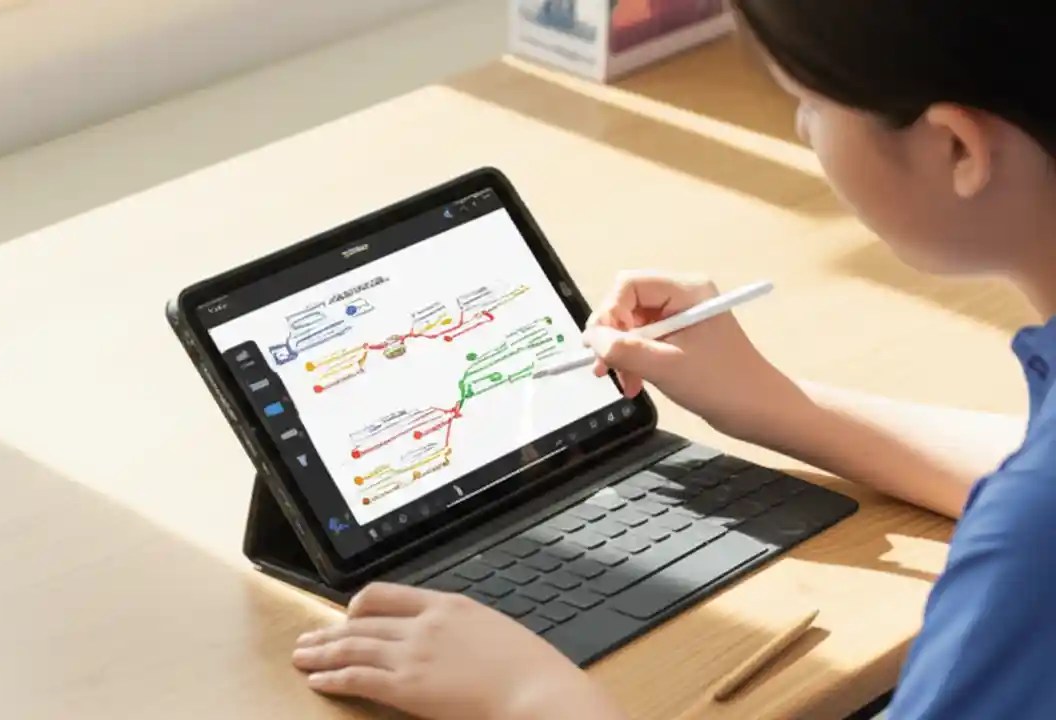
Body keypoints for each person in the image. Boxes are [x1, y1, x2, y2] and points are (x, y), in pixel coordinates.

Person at [290, 1, 1056, 717]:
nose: (802, 129)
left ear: (957, 147)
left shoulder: (1026, 551)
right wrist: (780, 406)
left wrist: (535, 695)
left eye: (813, 105)